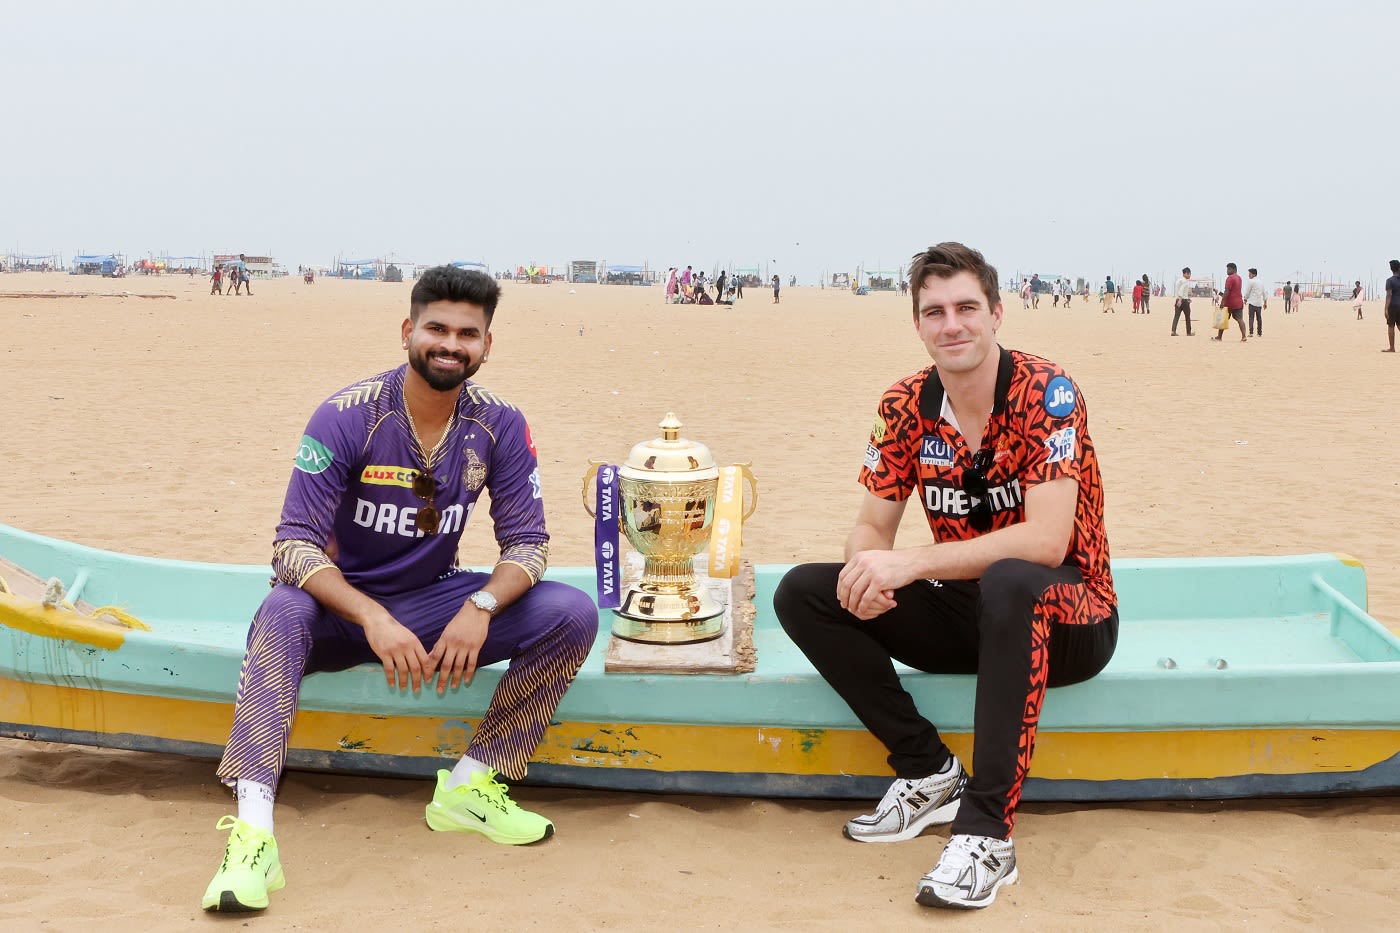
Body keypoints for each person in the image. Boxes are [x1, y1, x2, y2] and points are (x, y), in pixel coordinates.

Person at [200, 266, 598, 912]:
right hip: (333, 610)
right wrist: (372, 617)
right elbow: (292, 546)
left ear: (486, 345)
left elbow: (529, 544)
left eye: (467, 333)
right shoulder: (346, 416)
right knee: (279, 604)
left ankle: (470, 786)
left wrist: (481, 604)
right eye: (437, 328)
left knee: (570, 612)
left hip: (431, 601)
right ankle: (252, 835)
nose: (450, 343)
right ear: (408, 331)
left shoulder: (499, 423)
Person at [774, 242, 1118, 911]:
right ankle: (928, 770)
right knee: (807, 591)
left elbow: (1048, 542)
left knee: (1012, 579)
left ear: (996, 312)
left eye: (966, 307)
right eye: (935, 311)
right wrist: (865, 569)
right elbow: (873, 526)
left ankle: (988, 832)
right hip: (970, 612)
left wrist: (911, 561)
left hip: (1072, 613)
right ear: (918, 324)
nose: (951, 323)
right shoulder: (904, 403)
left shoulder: (1046, 391)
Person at [1213, 262, 1246, 342]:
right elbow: (1233, 291)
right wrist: (1219, 292)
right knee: (1240, 319)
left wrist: (1222, 303)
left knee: (1223, 319)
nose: (1227, 271)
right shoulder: (1239, 278)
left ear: (1234, 269)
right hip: (1238, 302)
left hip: (1229, 303)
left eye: (1229, 269)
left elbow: (1227, 292)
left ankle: (1219, 337)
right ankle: (1244, 336)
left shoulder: (1230, 278)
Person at [1243, 267, 1267, 337]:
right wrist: (1265, 302)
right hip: (1259, 303)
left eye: (1249, 274)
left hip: (1252, 302)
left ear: (1253, 274)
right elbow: (1264, 293)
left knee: (1251, 317)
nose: (1248, 275)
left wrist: (1245, 299)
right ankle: (1259, 333)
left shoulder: (1250, 281)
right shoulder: (1261, 282)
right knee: (1259, 318)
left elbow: (1247, 292)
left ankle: (1251, 333)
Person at [1171, 267, 1194, 336]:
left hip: (1178, 299)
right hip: (1183, 301)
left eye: (1190, 274)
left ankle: (1173, 331)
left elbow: (1179, 291)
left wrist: (1179, 299)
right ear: (1185, 274)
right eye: (1188, 274)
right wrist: (1181, 300)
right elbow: (1181, 291)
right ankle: (1188, 332)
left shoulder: (1178, 281)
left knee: (1176, 316)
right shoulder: (1185, 281)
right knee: (1187, 317)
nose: (1189, 275)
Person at [1385, 260, 1400, 352]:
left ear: (1391, 269)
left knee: (1391, 326)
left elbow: (1389, 295)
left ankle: (1392, 348)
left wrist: (1386, 308)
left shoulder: (1389, 280)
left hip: (1393, 305)